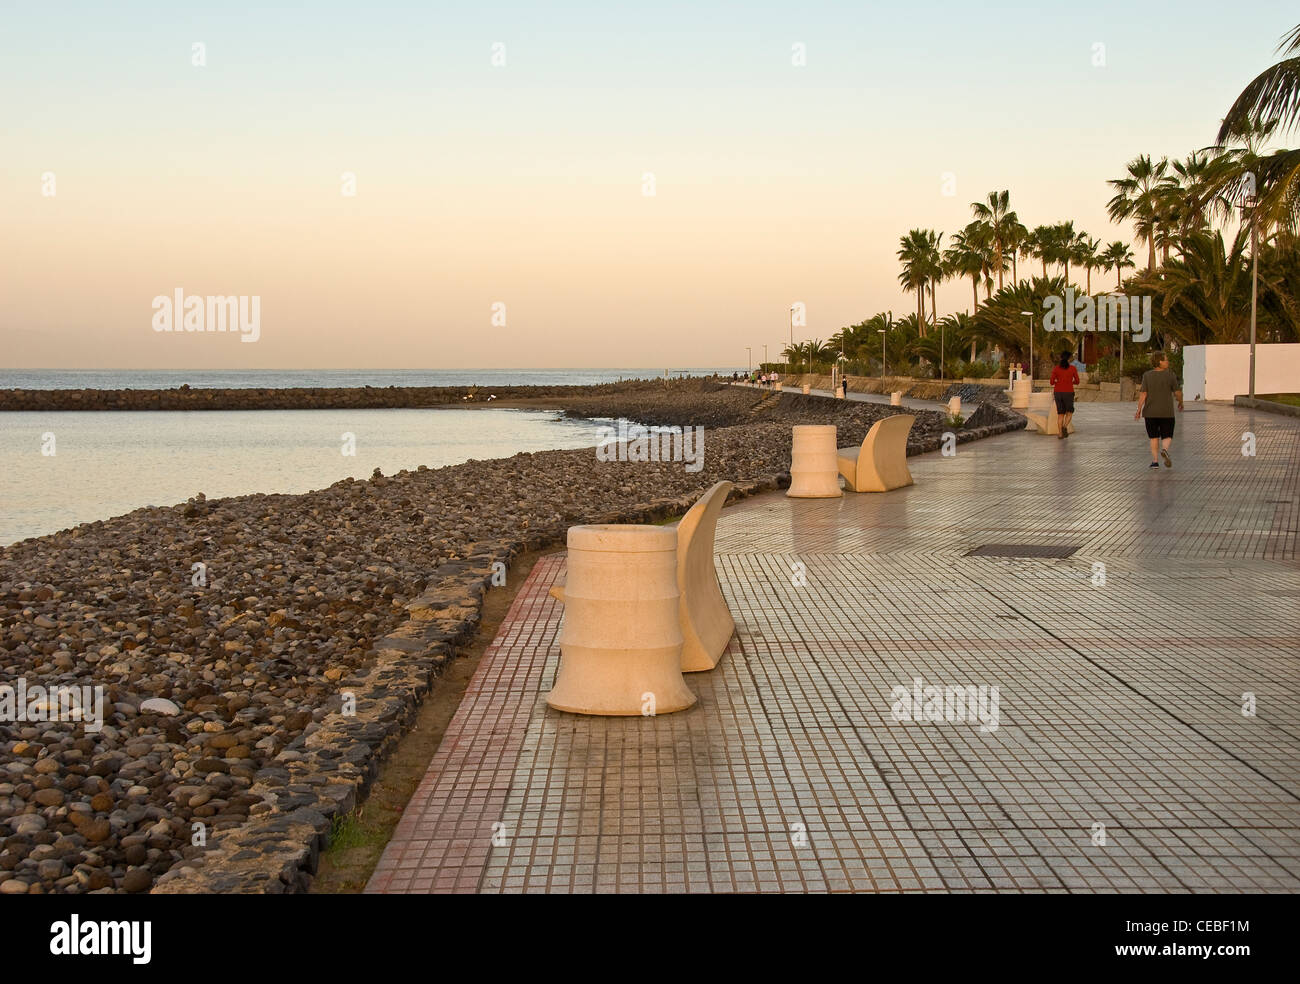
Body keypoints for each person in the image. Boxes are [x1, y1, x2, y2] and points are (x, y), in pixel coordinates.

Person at [1135, 350, 1183, 468]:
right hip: (1166, 412)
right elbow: (1177, 392)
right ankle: (1165, 450)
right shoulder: (1170, 375)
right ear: (1160, 362)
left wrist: (1139, 409)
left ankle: (1155, 461)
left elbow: (1143, 393)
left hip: (1150, 413)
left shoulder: (1147, 375)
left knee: (1153, 437)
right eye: (1166, 360)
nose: (1168, 362)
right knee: (1167, 435)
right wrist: (1180, 402)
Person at [1049, 352, 1079, 439]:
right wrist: (1070, 382)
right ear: (1069, 359)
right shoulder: (1072, 368)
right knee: (1069, 412)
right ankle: (1065, 426)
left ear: (1061, 358)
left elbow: (1051, 382)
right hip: (1069, 392)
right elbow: (1077, 381)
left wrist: (1058, 382)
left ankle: (1060, 434)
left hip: (1058, 393)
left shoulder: (1056, 369)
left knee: (1060, 414)